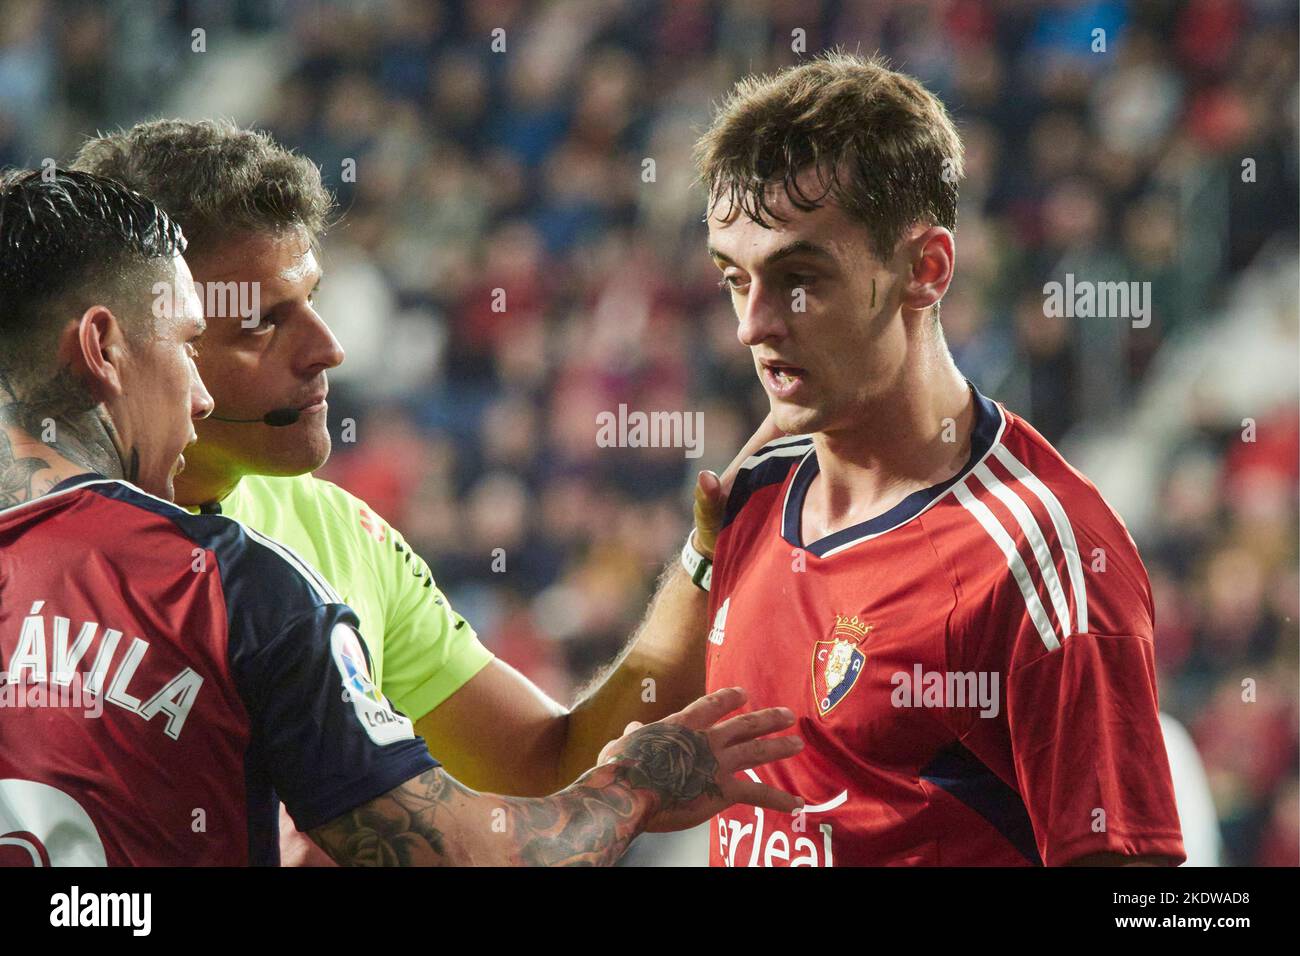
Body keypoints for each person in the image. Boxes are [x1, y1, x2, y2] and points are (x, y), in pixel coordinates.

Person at [0, 168, 802, 866]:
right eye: (228, 331)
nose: (328, 348)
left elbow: (542, 760)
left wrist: (702, 565)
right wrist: (634, 788)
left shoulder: (338, 535)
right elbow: (473, 854)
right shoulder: (247, 587)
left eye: (311, 300)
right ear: (104, 343)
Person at [694, 53, 1186, 867]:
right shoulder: (749, 498)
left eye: (799, 278)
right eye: (734, 279)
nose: (753, 325)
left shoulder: (1041, 556)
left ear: (926, 270)